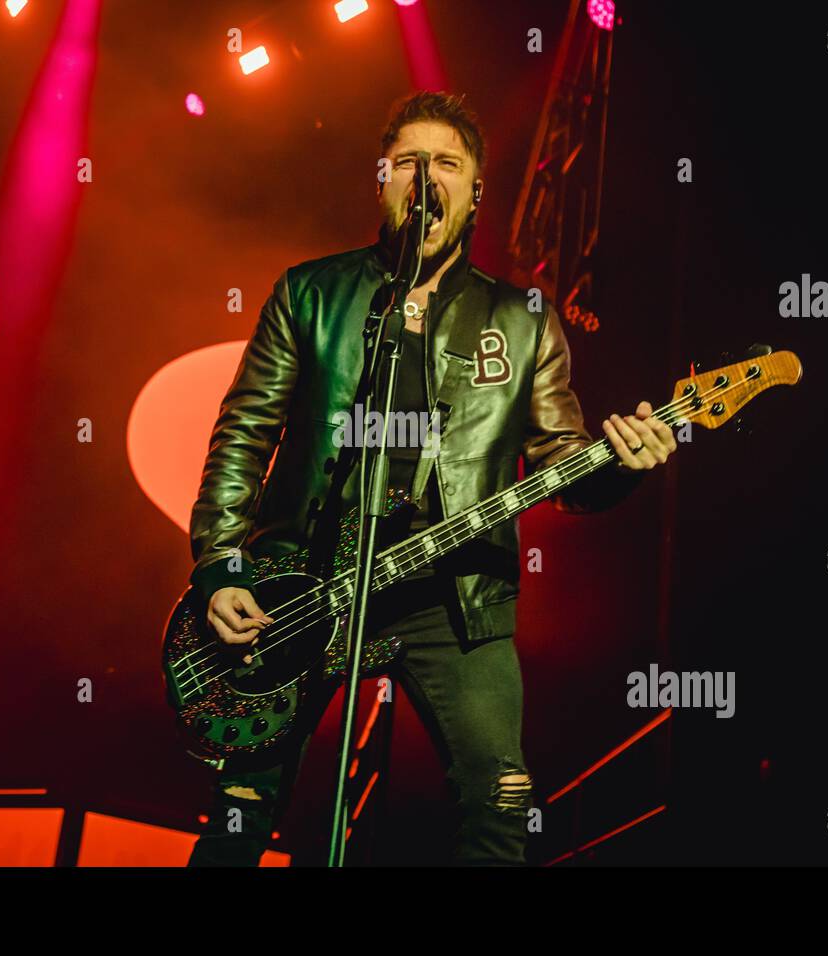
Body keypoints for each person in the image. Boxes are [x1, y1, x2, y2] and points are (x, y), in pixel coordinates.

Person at [185, 91, 676, 866]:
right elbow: (242, 435)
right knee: (241, 812)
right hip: (304, 578)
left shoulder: (522, 318)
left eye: (447, 163)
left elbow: (562, 461)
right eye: (408, 162)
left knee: (500, 804)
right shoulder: (310, 293)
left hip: (455, 593)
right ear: (381, 182)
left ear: (476, 193)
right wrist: (220, 566)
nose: (426, 177)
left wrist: (622, 468)